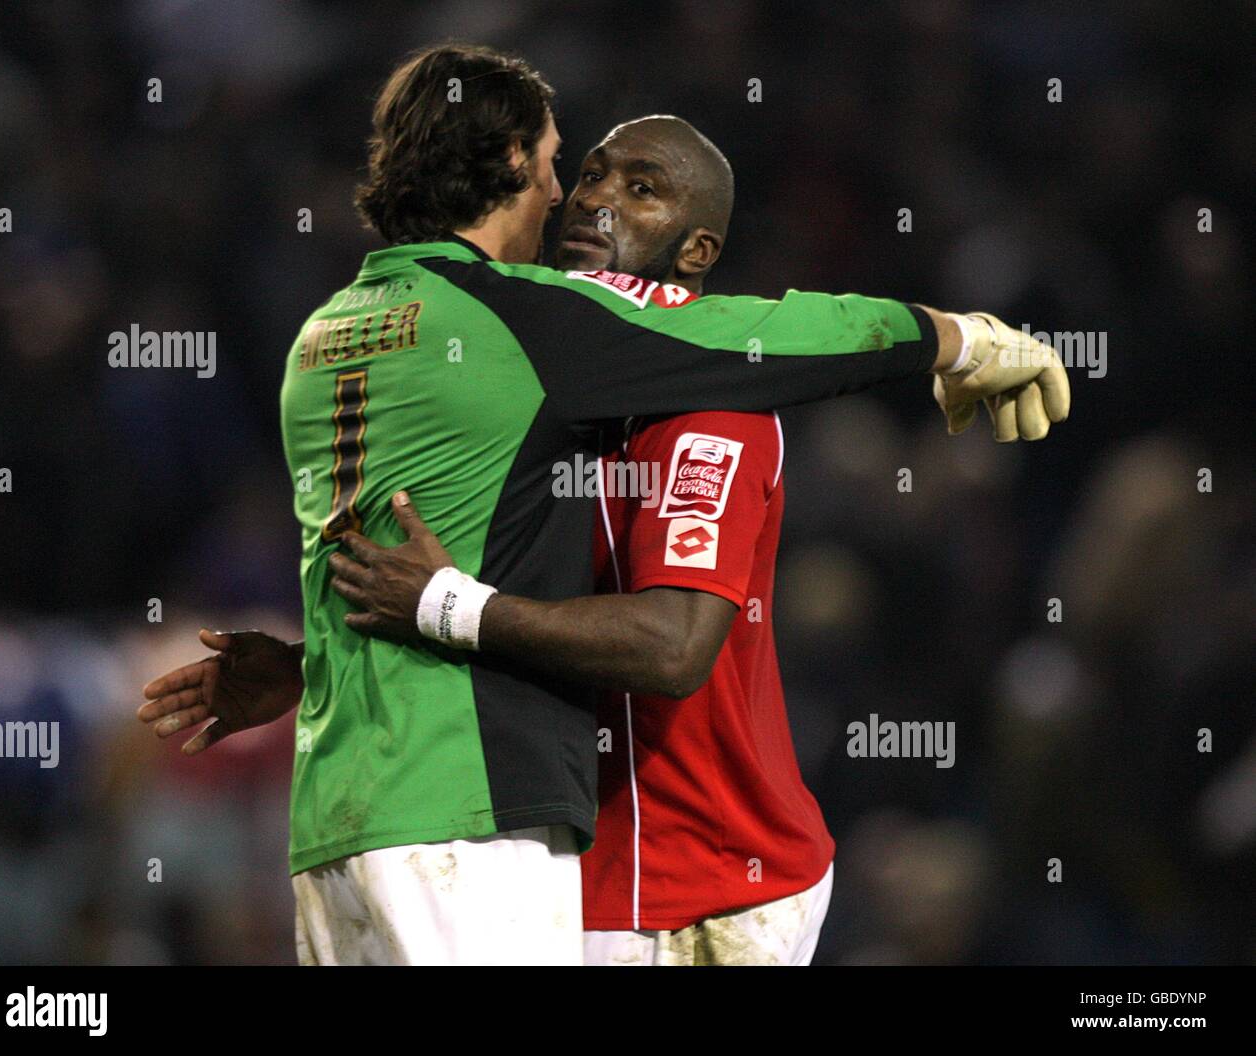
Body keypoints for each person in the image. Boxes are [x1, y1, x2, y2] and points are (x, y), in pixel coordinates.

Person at [138, 43, 1069, 966]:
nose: (581, 201)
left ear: (698, 249)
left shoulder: (338, 334)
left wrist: (341, 657)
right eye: (575, 173)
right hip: (511, 841)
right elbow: (431, 586)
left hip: (700, 883)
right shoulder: (526, 350)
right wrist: (951, 340)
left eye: (640, 189)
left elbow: (667, 642)